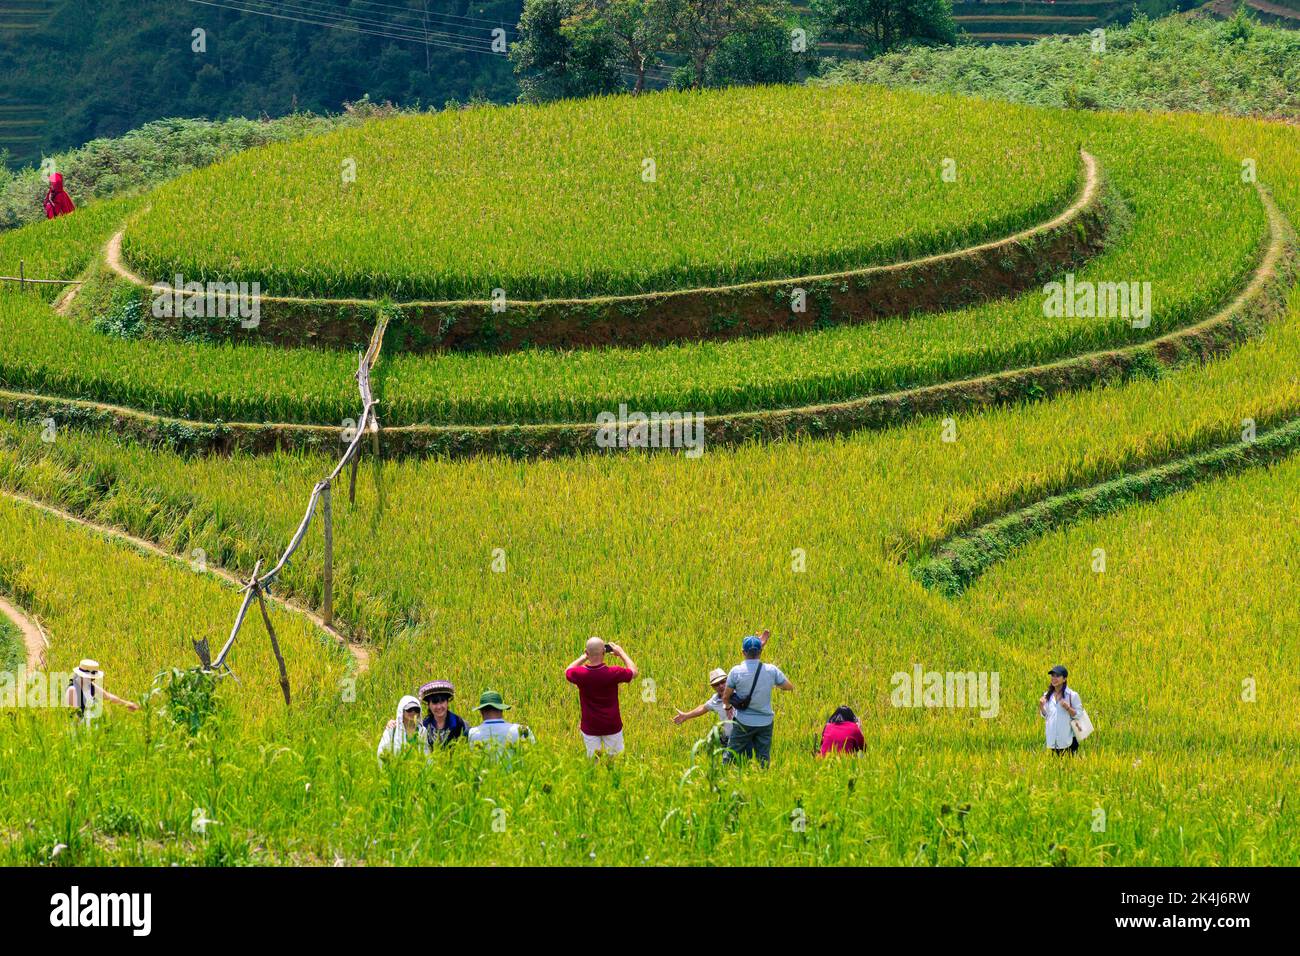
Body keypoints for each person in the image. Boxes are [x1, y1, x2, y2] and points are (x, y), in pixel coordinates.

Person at [721, 630, 793, 767]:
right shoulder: (771, 670)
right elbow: (789, 686)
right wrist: (771, 683)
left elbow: (726, 696)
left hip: (743, 721)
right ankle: (763, 781)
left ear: (743, 652)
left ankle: (722, 775)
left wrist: (728, 707)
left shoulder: (735, 671)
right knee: (763, 758)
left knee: (731, 752)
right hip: (765, 722)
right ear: (761, 651)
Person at [565, 637, 637, 758]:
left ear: (587, 652)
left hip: (590, 727)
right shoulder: (613, 672)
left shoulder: (580, 674)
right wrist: (621, 653)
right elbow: (634, 672)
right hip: (612, 725)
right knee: (615, 762)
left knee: (594, 762)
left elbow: (567, 670)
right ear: (604, 652)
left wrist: (584, 657)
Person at [672, 667, 734, 747]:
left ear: (728, 680)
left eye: (722, 682)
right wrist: (686, 715)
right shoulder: (715, 700)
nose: (720, 686)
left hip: (745, 735)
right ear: (712, 687)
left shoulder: (739, 692)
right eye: (716, 684)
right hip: (729, 738)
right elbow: (703, 708)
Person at [467, 690, 535, 755]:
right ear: (501, 709)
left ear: (481, 711)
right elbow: (533, 754)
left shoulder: (471, 733)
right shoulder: (522, 730)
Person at [63, 659, 139, 716]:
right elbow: (76, 715)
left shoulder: (90, 686)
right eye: (90, 678)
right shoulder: (72, 690)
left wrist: (127, 704)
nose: (92, 680)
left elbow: (107, 696)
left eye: (92, 678)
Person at [1039, 665, 1083, 755]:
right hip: (1052, 742)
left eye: (1057, 676)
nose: (1054, 678)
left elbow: (1079, 714)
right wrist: (1041, 706)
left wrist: (1068, 708)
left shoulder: (1072, 695)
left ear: (1064, 679)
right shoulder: (1047, 695)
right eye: (1052, 676)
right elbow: (1046, 716)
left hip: (1067, 742)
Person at [377, 695, 429, 765]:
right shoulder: (392, 729)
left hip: (417, 772)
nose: (413, 712)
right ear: (402, 711)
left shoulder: (423, 731)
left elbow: (427, 756)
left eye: (416, 710)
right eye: (409, 709)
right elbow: (381, 752)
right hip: (397, 772)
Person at [419, 679, 469, 746]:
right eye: (434, 702)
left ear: (447, 702)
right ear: (429, 705)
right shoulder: (424, 725)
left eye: (442, 701)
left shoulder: (458, 723)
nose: (439, 707)